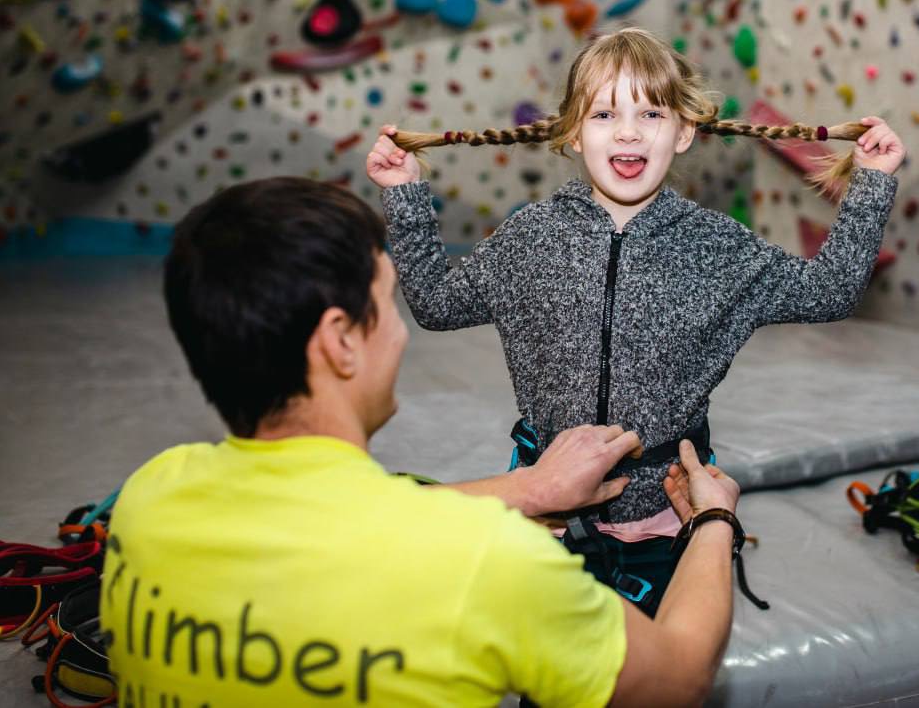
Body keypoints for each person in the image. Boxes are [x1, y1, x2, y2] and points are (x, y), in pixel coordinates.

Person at [100, 176, 744, 707]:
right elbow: (677, 678)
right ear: (340, 341)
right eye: (386, 303)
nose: (403, 333)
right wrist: (713, 521)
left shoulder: (151, 498)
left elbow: (357, 524)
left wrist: (528, 488)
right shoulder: (488, 563)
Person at [367, 26, 904, 612]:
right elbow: (437, 305)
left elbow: (827, 293)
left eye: (651, 113)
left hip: (666, 514)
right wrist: (404, 197)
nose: (627, 130)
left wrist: (870, 186)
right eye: (603, 114)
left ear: (684, 132)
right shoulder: (531, 238)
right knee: (553, 678)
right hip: (547, 510)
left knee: (660, 673)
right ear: (572, 132)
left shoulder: (716, 247)